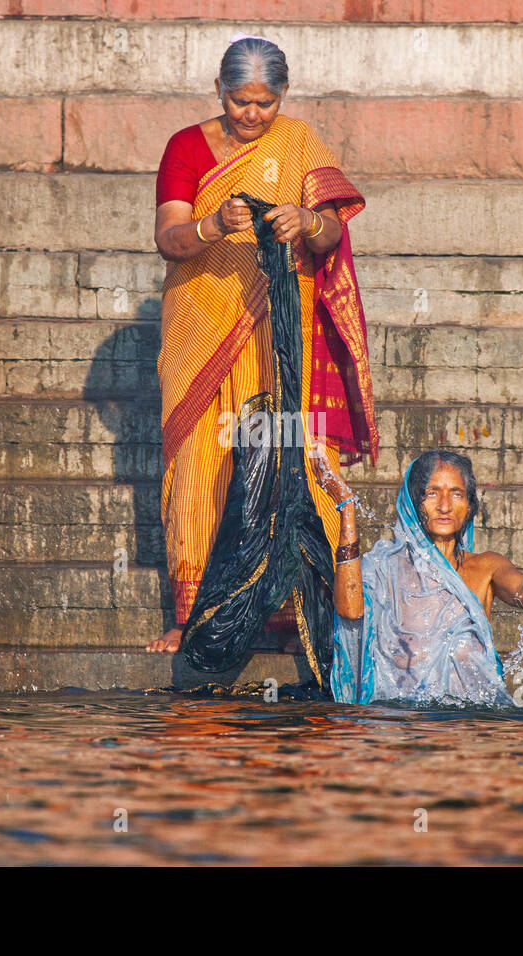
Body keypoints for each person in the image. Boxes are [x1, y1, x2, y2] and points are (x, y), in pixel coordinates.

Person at [147, 35, 379, 655]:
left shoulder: (299, 143)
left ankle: (305, 611)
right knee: (203, 464)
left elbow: (333, 230)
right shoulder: (187, 147)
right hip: (200, 329)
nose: (252, 115)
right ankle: (192, 618)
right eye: (240, 101)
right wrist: (212, 223)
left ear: (283, 96)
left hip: (279, 333)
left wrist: (307, 221)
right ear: (219, 92)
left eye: (265, 103)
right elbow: (168, 238)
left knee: (285, 460)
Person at [313, 445, 523, 706]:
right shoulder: (385, 567)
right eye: (431, 493)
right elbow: (349, 610)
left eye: (456, 494)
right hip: (404, 730)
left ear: (469, 505)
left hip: (471, 729)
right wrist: (347, 509)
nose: (444, 506)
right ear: (414, 502)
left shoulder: (487, 567)